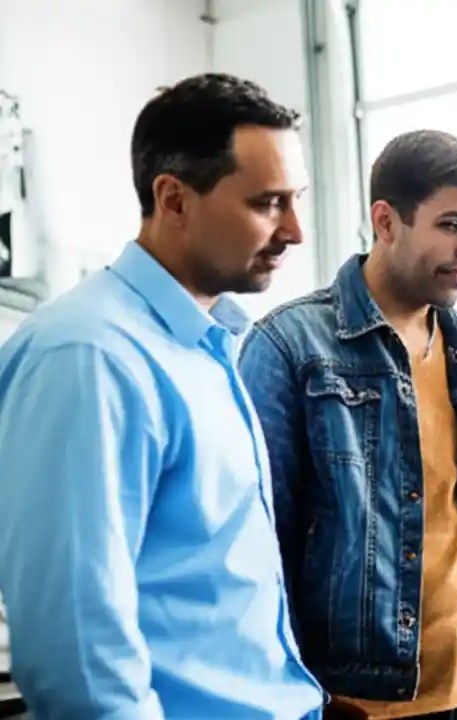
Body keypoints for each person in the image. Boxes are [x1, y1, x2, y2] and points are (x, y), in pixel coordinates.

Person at [0, 73, 322, 719]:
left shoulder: (207, 344)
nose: (295, 231)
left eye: (297, 200)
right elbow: (77, 649)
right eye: (268, 203)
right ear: (173, 199)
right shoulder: (89, 357)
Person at [238, 129, 457, 720]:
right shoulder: (287, 346)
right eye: (454, 224)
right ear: (386, 221)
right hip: (358, 701)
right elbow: (260, 542)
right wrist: (300, 688)